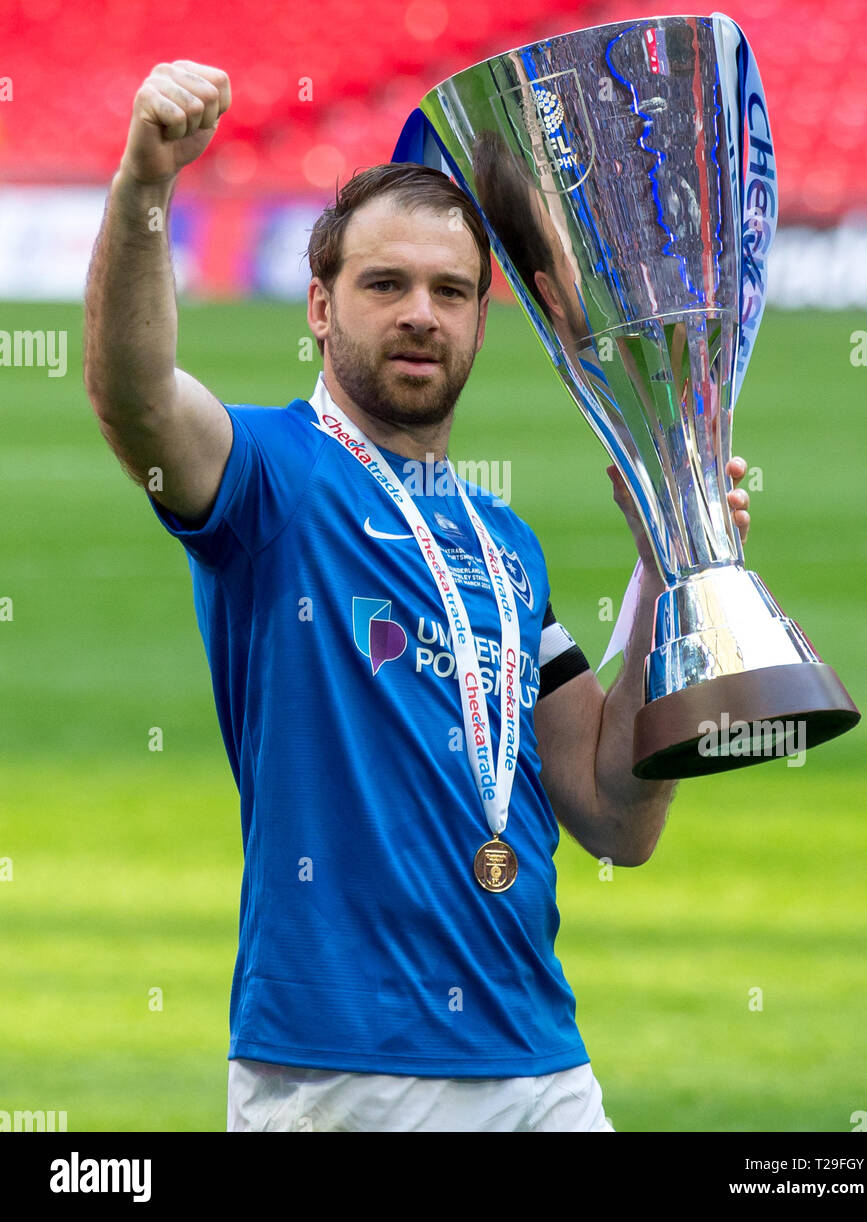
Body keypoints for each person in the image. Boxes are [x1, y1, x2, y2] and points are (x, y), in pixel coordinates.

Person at [84, 60, 750, 1133]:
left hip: (540, 1063)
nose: (419, 315)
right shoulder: (271, 479)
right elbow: (134, 394)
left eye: (449, 291)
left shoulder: (503, 545)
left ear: (481, 323)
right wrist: (144, 184)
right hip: (342, 1073)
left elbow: (614, 814)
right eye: (383, 284)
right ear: (318, 303)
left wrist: (673, 578)